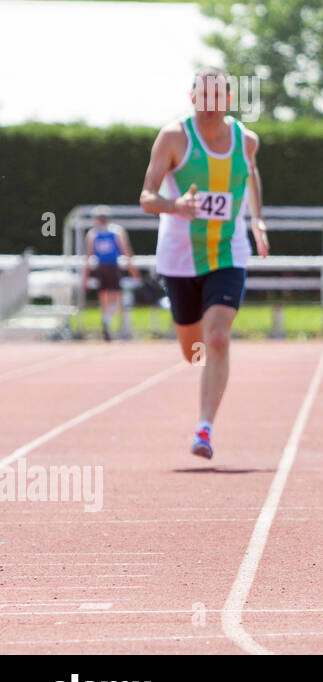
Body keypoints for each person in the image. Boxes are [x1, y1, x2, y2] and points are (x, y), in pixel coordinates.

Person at [139, 67, 270, 459]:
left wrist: (257, 219)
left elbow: (251, 176)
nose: (211, 105)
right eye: (204, 97)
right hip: (180, 257)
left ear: (228, 100)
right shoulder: (174, 137)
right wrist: (175, 206)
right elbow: (146, 197)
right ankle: (205, 377)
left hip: (228, 251)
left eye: (219, 98)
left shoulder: (246, 141)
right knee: (193, 350)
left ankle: (205, 427)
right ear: (193, 98)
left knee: (217, 337)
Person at [81, 205, 141, 340]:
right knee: (113, 299)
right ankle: (109, 323)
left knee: (108, 299)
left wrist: (85, 277)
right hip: (110, 269)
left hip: (105, 269)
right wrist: (133, 271)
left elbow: (88, 257)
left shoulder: (100, 233)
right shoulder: (107, 233)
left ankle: (109, 323)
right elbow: (126, 252)